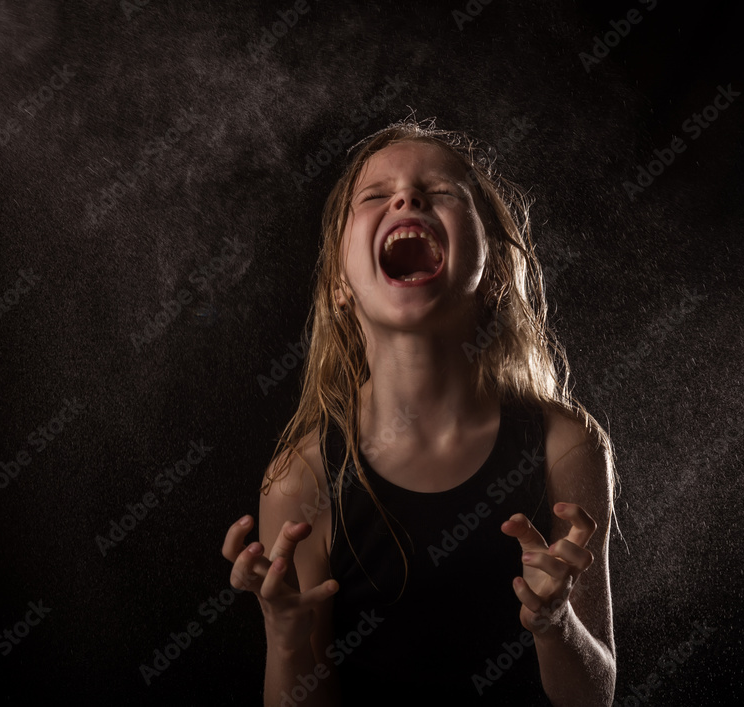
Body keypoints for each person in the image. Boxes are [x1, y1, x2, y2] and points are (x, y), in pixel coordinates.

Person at [222, 117, 617, 706]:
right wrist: (285, 641)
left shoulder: (566, 446)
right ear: (340, 282)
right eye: (376, 196)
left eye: (443, 193)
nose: (407, 197)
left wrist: (556, 622)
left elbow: (594, 698)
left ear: (496, 273)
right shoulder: (300, 480)